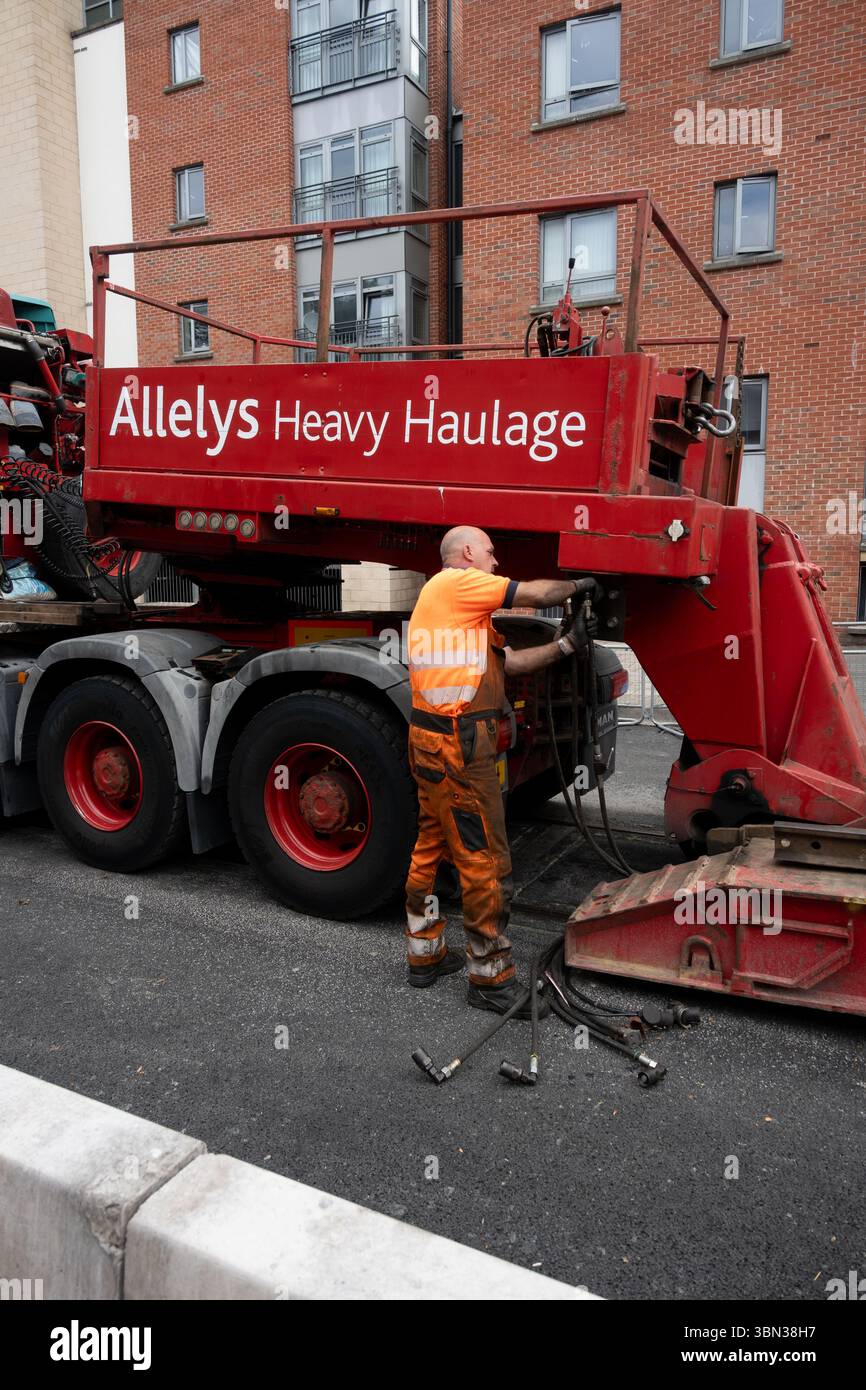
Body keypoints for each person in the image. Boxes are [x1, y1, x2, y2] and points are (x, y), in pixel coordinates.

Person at [404, 524, 601, 1017]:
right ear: (468, 553)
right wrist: (583, 583)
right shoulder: (457, 582)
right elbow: (532, 595)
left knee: (431, 845)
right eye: (491, 553)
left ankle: (424, 955)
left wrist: (566, 648)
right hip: (460, 746)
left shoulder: (447, 606)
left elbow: (506, 665)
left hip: (431, 741)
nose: (496, 562)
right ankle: (490, 979)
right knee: (484, 860)